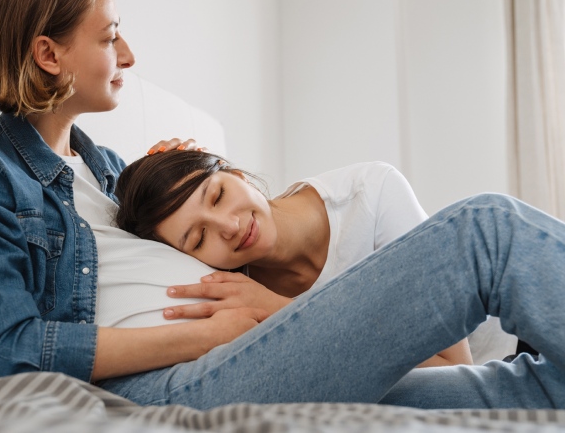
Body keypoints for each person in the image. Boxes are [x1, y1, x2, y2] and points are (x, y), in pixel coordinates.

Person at [0, 0, 565, 410]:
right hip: (184, 381)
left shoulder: (108, 172)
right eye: (111, 37)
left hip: (239, 354)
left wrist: (176, 177)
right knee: (486, 231)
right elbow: (3, 347)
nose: (128, 57)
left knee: (526, 390)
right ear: (48, 54)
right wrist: (213, 332)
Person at [115, 151, 473, 367]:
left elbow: (453, 367)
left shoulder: (372, 195)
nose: (229, 226)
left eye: (219, 195)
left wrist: (279, 309)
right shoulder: (233, 297)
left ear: (236, 174)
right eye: (199, 238)